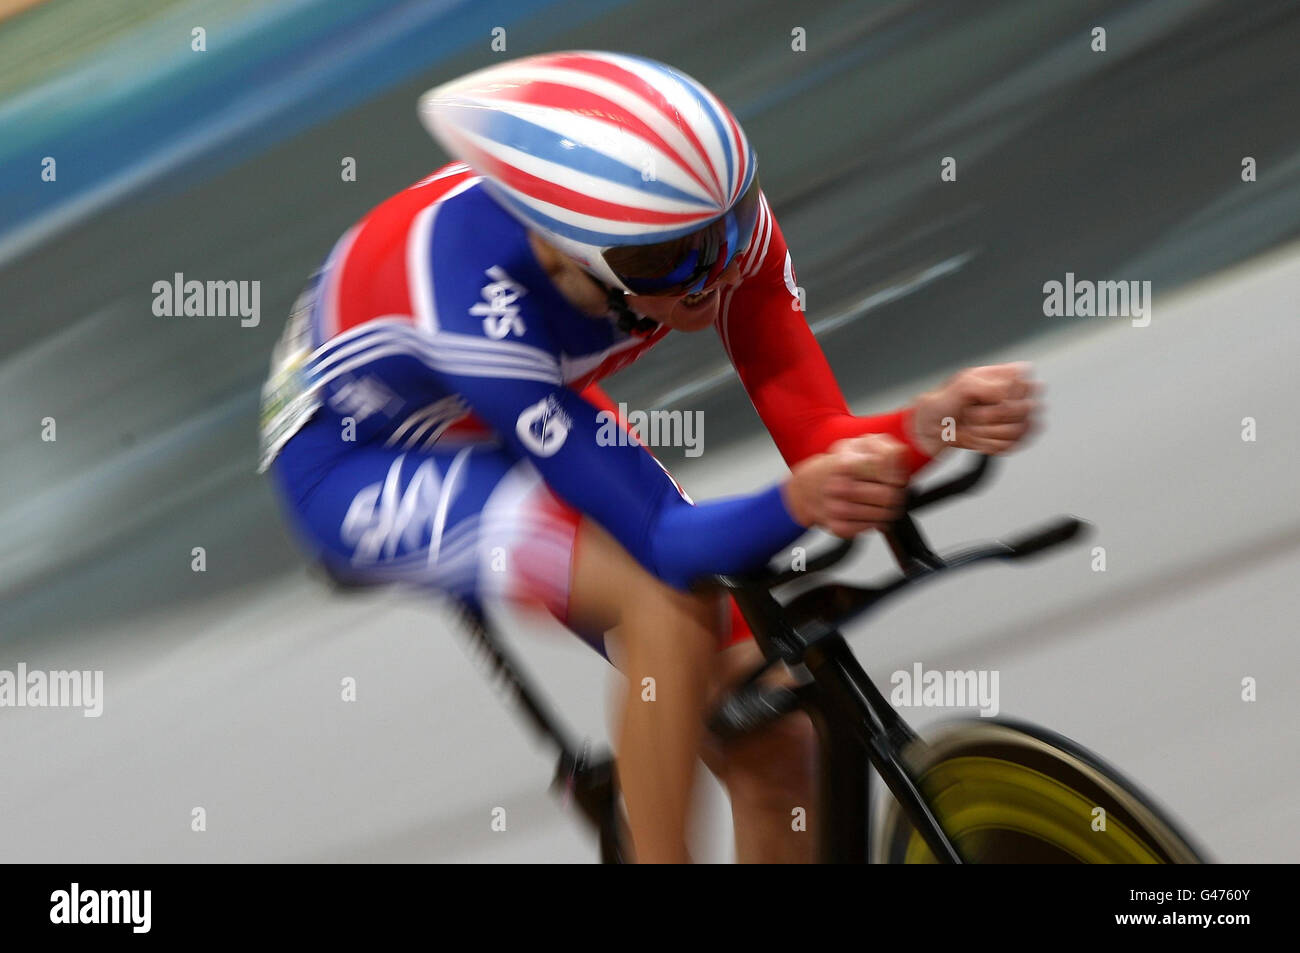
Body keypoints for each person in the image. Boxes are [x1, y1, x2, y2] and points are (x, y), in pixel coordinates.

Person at [257, 51, 1038, 863]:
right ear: (563, 249)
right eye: (663, 260)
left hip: (524, 397)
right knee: (664, 600)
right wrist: (799, 503)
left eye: (726, 229)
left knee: (775, 736)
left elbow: (820, 440)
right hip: (360, 459)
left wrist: (929, 427)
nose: (708, 277)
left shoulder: (709, 230)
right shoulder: (471, 303)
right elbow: (668, 542)